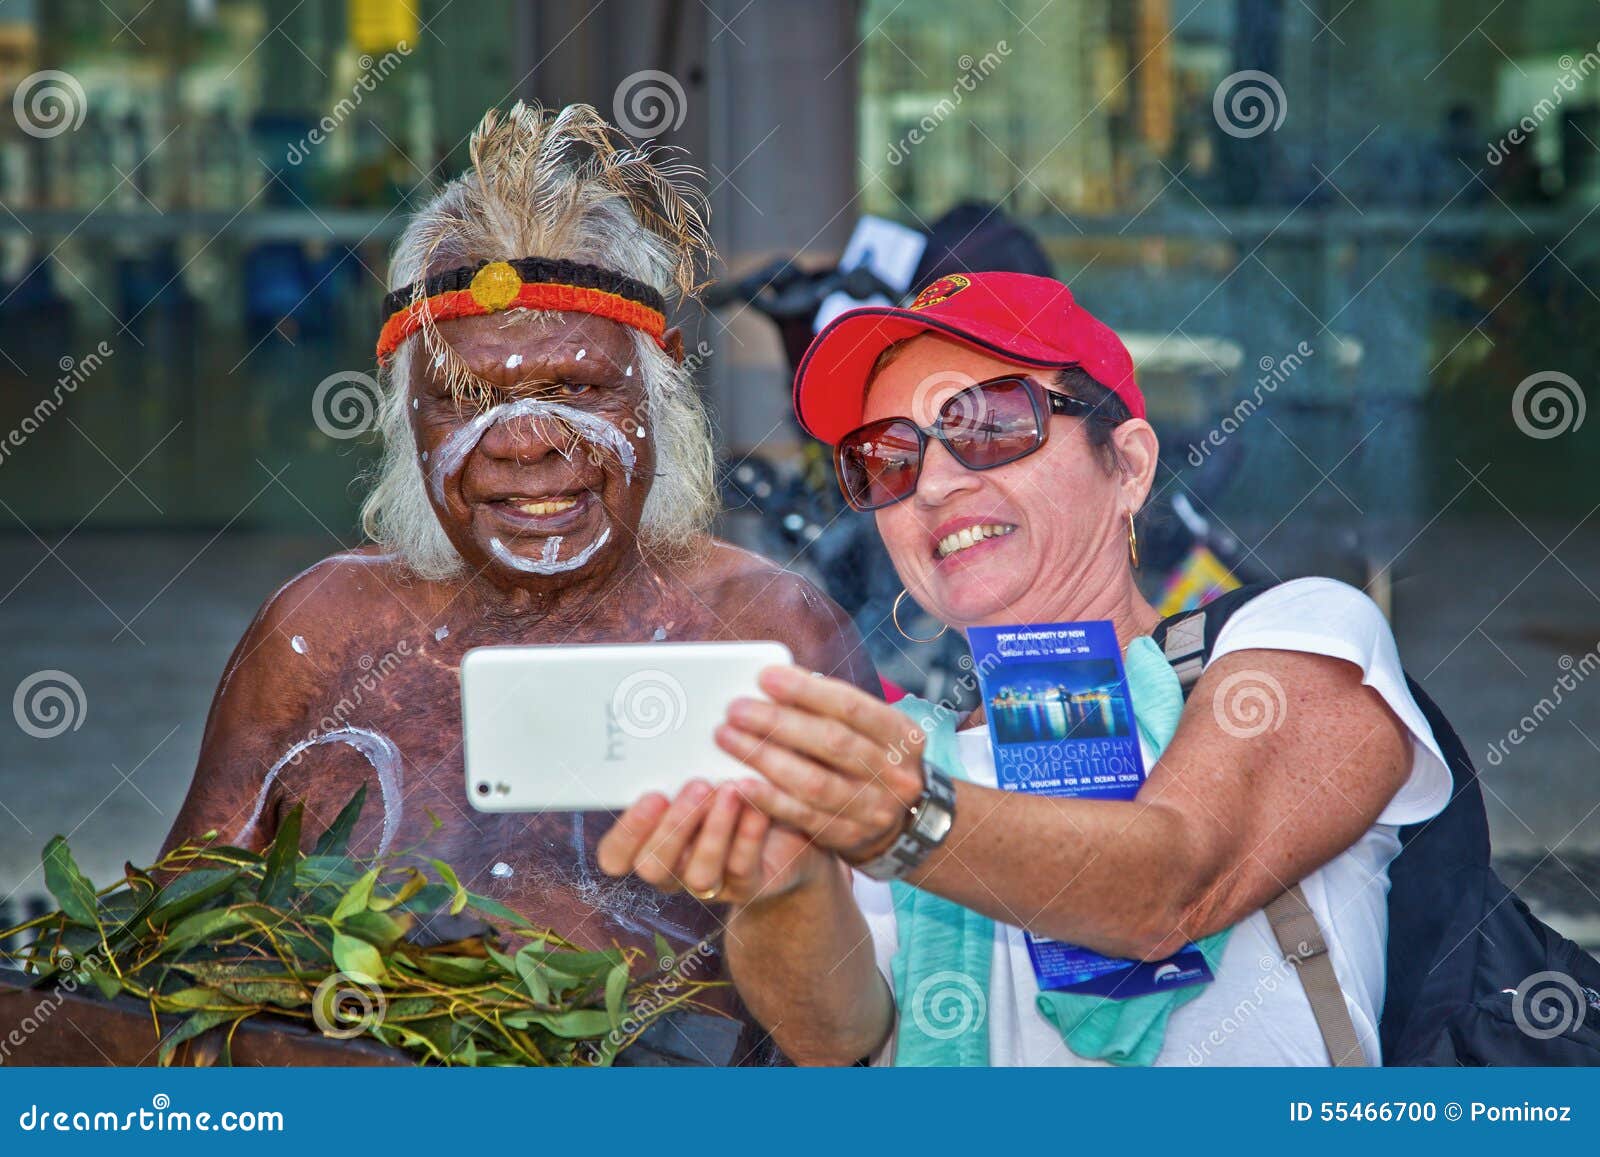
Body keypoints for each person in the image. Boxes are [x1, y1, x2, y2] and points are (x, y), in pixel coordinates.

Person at [161, 103, 875, 1065]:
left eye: (579, 389)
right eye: (466, 397)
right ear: (405, 424)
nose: (528, 439)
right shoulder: (319, 633)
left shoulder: (773, 634)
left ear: (658, 403)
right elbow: (169, 961)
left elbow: (876, 1019)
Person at [599, 271, 1452, 1066]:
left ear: (1129, 464)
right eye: (886, 458)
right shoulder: (894, 755)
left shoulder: (1294, 636)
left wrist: (903, 819)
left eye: (992, 423)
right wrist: (775, 884)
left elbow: (1172, 884)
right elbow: (839, 1034)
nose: (931, 483)